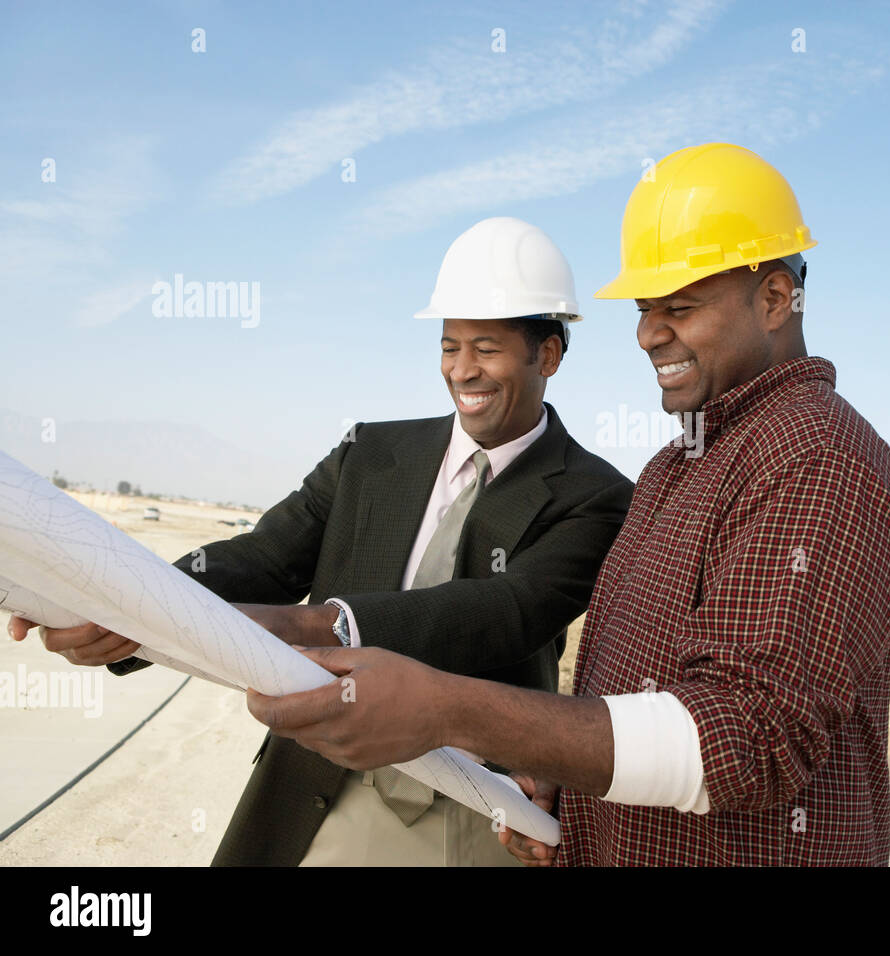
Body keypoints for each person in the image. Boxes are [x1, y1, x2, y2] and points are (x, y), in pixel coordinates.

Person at [240, 144, 890, 866]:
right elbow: (642, 708)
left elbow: (748, 739)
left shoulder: (818, 459)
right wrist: (570, 785)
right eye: (644, 308)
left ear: (776, 299)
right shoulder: (677, 467)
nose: (649, 333)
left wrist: (441, 706)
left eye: (680, 307)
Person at [10, 217, 633, 867]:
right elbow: (264, 558)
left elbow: (504, 611)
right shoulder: (371, 452)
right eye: (450, 346)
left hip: (475, 813)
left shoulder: (595, 495)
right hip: (318, 788)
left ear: (550, 356)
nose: (463, 370)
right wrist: (126, 604)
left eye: (487, 348)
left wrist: (326, 625)